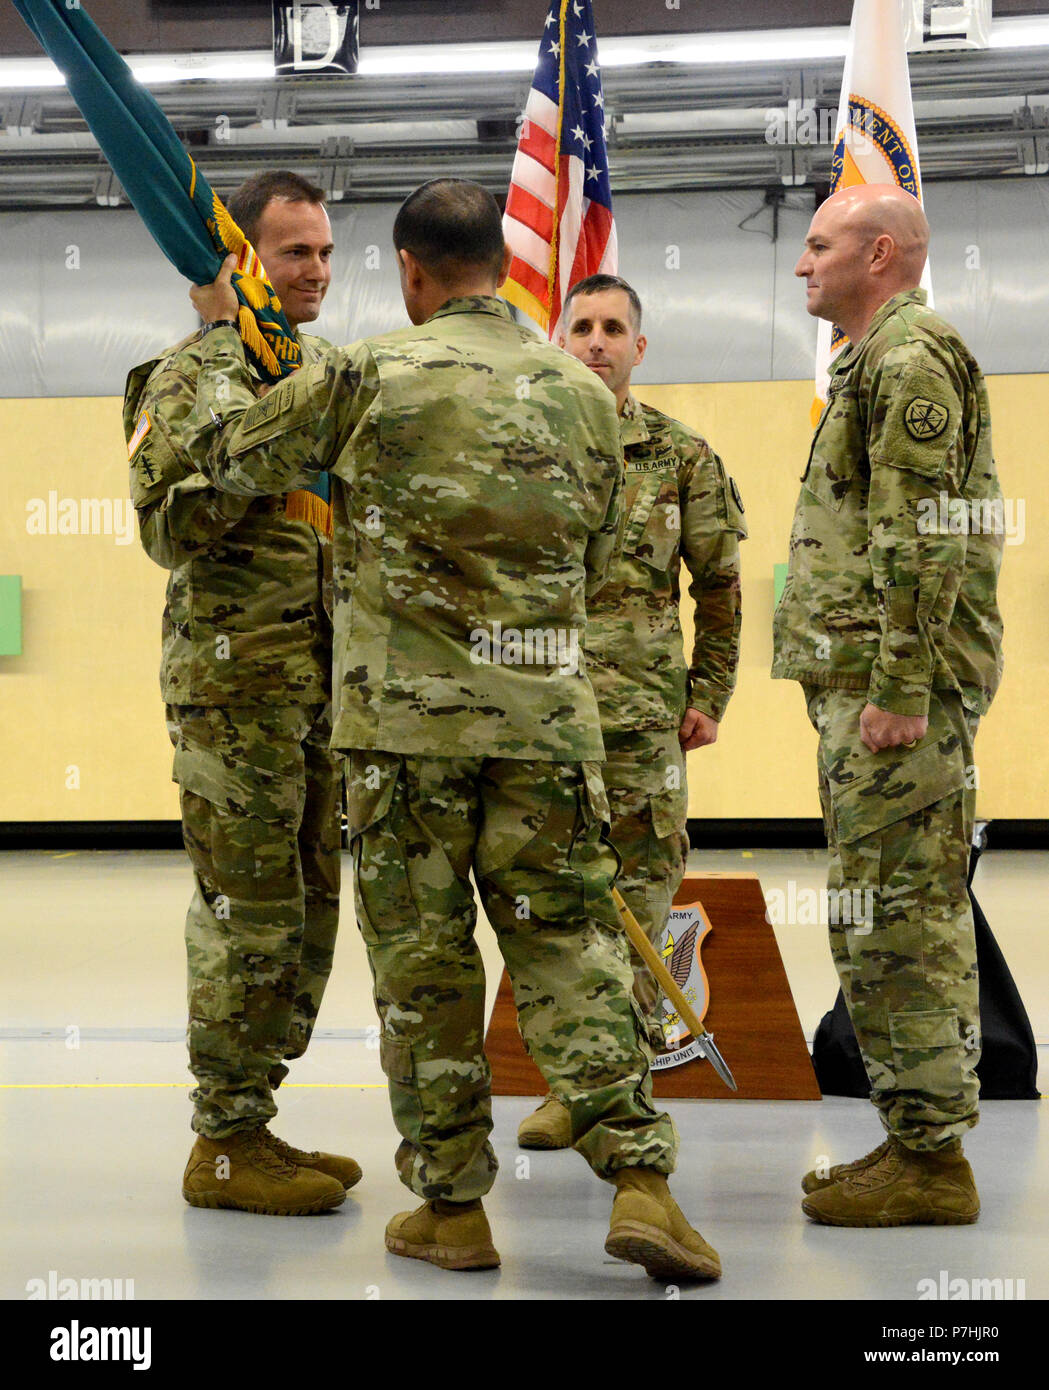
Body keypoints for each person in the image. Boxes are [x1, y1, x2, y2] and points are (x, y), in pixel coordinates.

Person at [181, 178, 722, 1281]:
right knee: (568, 946)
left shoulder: (367, 374)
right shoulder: (584, 395)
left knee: (424, 970)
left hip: (402, 735)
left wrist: (232, 322)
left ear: (410, 274)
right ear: (507, 272)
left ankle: (452, 1208)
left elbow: (227, 461)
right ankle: (641, 1178)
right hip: (547, 728)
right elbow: (602, 543)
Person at [124, 171, 359, 1216]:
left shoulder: (320, 370)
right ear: (242, 261)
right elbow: (164, 528)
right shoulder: (192, 378)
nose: (315, 270)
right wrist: (270, 430)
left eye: (323, 250)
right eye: (293, 252)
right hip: (234, 693)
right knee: (244, 915)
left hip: (321, 690)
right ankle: (220, 1143)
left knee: (309, 907)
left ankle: (253, 1117)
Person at [776, 184, 1004, 1226]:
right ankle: (915, 1139)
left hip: (892, 699)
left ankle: (926, 1158)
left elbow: (920, 537)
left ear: (877, 254)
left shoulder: (907, 360)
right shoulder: (875, 361)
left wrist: (898, 692)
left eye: (816, 246)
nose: (799, 264)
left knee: (896, 923)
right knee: (886, 915)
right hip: (871, 686)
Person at [517, 274, 746, 1150]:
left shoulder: (681, 456)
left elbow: (718, 587)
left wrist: (708, 694)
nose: (598, 340)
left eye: (615, 328)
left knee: (643, 896)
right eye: (582, 326)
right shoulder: (523, 451)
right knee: (555, 899)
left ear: (637, 349)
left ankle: (610, 1090)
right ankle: (574, 1084)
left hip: (644, 720)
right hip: (542, 717)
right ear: (559, 341)